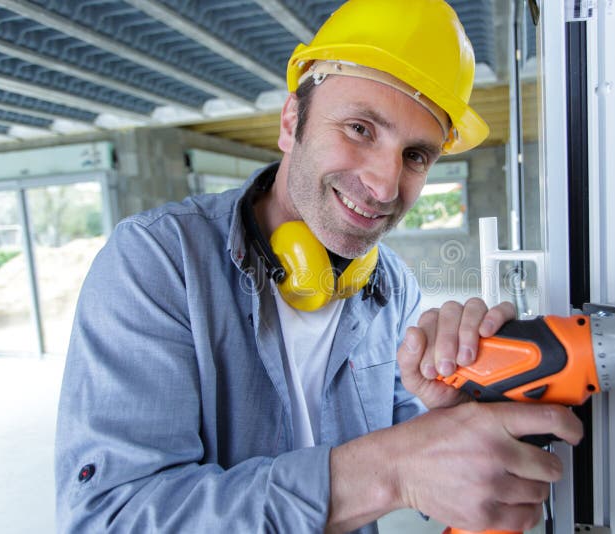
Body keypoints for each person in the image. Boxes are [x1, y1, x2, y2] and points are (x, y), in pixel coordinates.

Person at [54, 0, 582, 532]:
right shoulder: (158, 264)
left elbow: (416, 442)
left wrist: (455, 415)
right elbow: (111, 516)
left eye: (416, 156)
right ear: (291, 122)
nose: (383, 185)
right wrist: (388, 471)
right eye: (359, 128)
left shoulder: (390, 285)